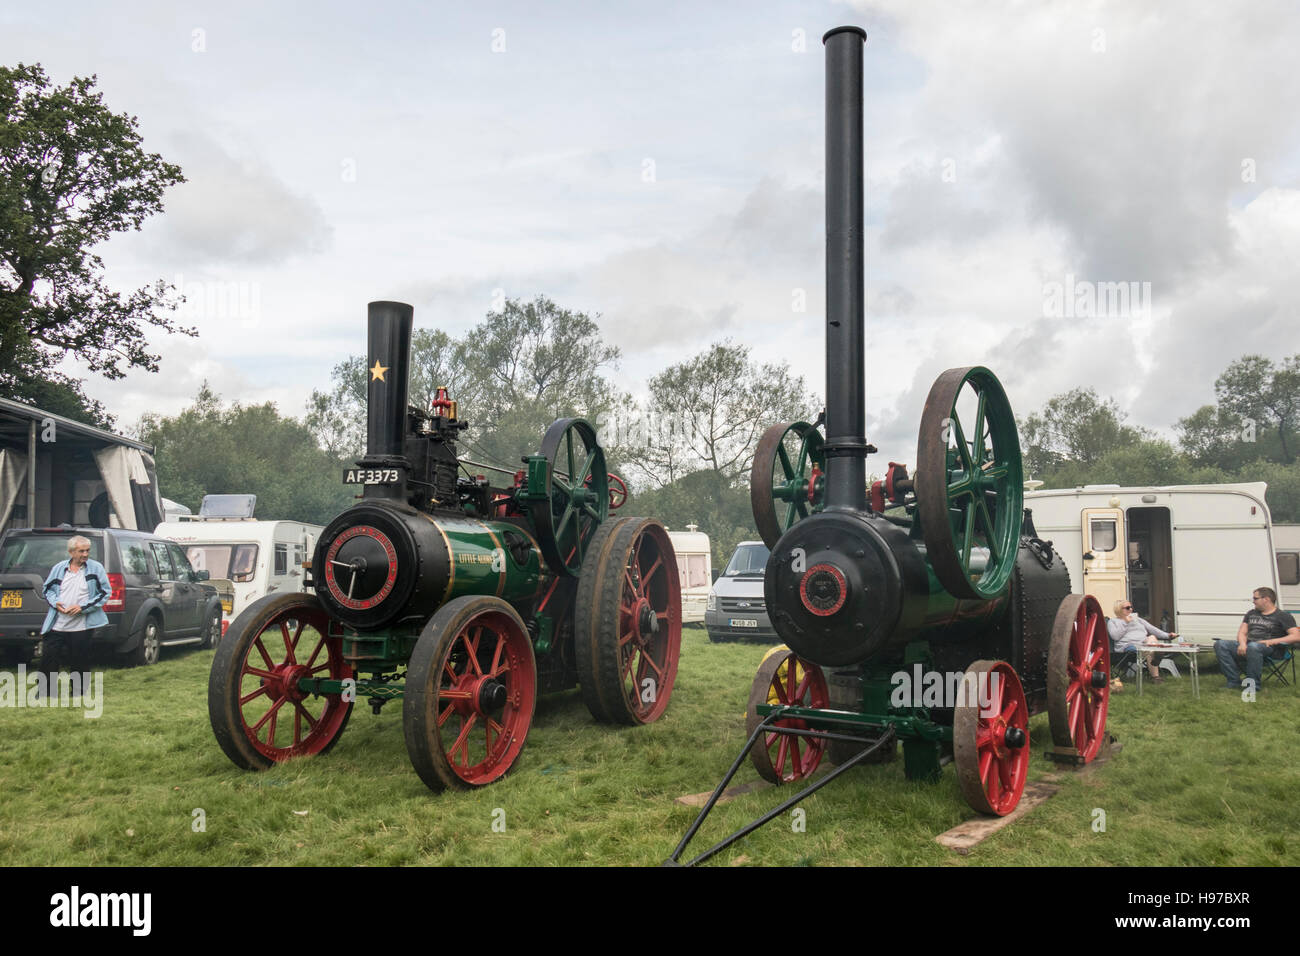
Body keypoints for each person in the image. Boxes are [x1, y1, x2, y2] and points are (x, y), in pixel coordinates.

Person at [40, 535, 112, 693]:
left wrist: (83, 607)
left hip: (81, 626)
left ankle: (79, 692)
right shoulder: (59, 568)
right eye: (81, 551)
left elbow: (105, 593)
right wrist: (55, 603)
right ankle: (45, 692)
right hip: (57, 624)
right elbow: (47, 590)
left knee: (80, 660)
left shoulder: (96, 568)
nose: (85, 554)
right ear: (71, 552)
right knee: (49, 658)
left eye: (87, 551)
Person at [1213, 587, 1299, 690]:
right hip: (1249, 645)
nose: (1253, 601)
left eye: (1255, 598)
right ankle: (1233, 681)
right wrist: (1242, 644)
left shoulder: (1283, 616)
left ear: (1266, 599)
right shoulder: (1251, 613)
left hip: (1272, 649)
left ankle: (1253, 686)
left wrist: (1271, 641)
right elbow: (1242, 632)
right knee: (1220, 644)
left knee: (1254, 647)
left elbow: (1296, 636)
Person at [1107, 599, 1179, 683]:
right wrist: (1126, 622)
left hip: (1144, 643)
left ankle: (1156, 652)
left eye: (1131, 607)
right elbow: (1115, 636)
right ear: (1119, 609)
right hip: (1128, 646)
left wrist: (1168, 636)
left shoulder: (1137, 619)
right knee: (1149, 649)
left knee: (1152, 637)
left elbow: (1152, 629)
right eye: (1127, 608)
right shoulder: (1113, 622)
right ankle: (1156, 675)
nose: (1130, 609)